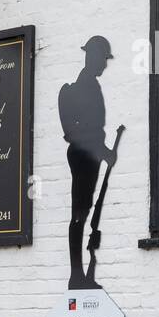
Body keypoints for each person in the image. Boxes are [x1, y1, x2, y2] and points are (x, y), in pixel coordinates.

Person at [59, 36, 116, 289]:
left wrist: (103, 151)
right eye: (103, 58)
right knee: (80, 213)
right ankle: (76, 275)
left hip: (88, 152)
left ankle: (77, 274)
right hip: (85, 153)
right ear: (92, 56)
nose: (104, 64)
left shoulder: (90, 84)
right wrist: (104, 151)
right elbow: (88, 130)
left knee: (82, 212)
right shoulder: (85, 86)